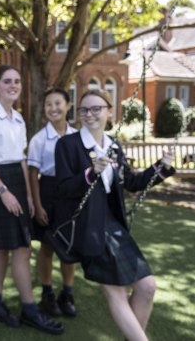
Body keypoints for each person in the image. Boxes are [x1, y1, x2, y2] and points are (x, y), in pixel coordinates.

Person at [54, 89, 175, 341]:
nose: (90, 114)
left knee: (147, 287)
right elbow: (64, 188)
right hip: (89, 227)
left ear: (110, 112)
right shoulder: (68, 144)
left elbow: (130, 182)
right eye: (84, 109)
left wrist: (160, 168)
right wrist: (90, 172)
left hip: (114, 226)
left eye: (96, 108)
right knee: (116, 292)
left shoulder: (114, 146)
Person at [0, 65, 64, 335]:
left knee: (6, 248)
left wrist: (25, 194)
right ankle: (30, 309)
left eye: (17, 81)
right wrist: (4, 192)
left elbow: (22, 159)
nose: (13, 85)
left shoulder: (19, 119)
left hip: (15, 179)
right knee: (21, 249)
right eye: (7, 81)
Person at [27, 87, 78, 317]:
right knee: (47, 247)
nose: (53, 108)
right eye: (48, 104)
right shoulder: (39, 139)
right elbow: (33, 175)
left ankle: (67, 294)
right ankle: (47, 295)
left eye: (58, 103)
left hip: (71, 195)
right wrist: (37, 205)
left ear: (68, 105)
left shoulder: (78, 136)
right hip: (47, 193)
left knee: (69, 248)